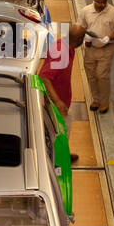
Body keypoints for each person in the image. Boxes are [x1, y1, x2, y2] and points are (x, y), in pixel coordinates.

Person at [38, 24, 85, 163]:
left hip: (61, 99)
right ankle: (57, 159)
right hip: (54, 102)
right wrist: (57, 101)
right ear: (79, 40)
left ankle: (62, 154)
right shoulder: (61, 52)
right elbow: (44, 77)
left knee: (61, 129)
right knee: (60, 130)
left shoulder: (67, 46)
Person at [77, 0, 114, 113]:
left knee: (102, 76)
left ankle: (104, 102)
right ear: (94, 0)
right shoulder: (86, 11)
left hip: (106, 49)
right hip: (90, 49)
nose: (100, 5)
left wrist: (108, 38)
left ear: (106, 1)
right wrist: (85, 37)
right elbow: (80, 27)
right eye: (98, 2)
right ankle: (96, 100)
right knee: (91, 76)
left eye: (103, 3)